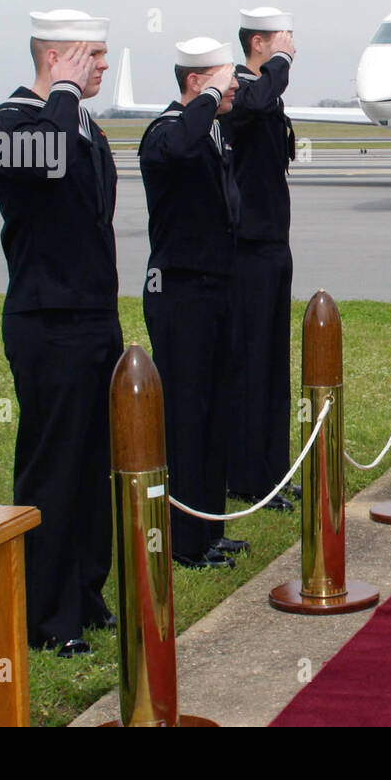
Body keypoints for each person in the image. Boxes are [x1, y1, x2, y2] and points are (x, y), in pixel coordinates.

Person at [0, 10, 122, 657]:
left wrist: (70, 99)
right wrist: (62, 94)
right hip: (47, 319)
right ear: (55, 57)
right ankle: (47, 612)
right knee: (54, 467)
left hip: (93, 315)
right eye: (90, 57)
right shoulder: (9, 123)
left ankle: (86, 592)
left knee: (94, 464)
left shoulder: (82, 122)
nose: (102, 67)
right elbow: (48, 164)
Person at [139, 37, 249, 569]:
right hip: (178, 292)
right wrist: (206, 97)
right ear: (194, 84)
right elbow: (179, 149)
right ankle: (182, 540)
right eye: (223, 80)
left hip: (215, 289)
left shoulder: (210, 131)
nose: (233, 88)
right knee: (185, 414)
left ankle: (208, 526)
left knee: (213, 411)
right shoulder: (165, 133)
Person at [222, 8, 299, 513]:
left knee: (273, 363)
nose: (292, 45)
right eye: (282, 39)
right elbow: (253, 102)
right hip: (245, 248)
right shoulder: (239, 90)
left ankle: (272, 470)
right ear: (257, 43)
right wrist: (279, 63)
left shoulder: (262, 92)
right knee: (249, 365)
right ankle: (247, 476)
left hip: (273, 242)